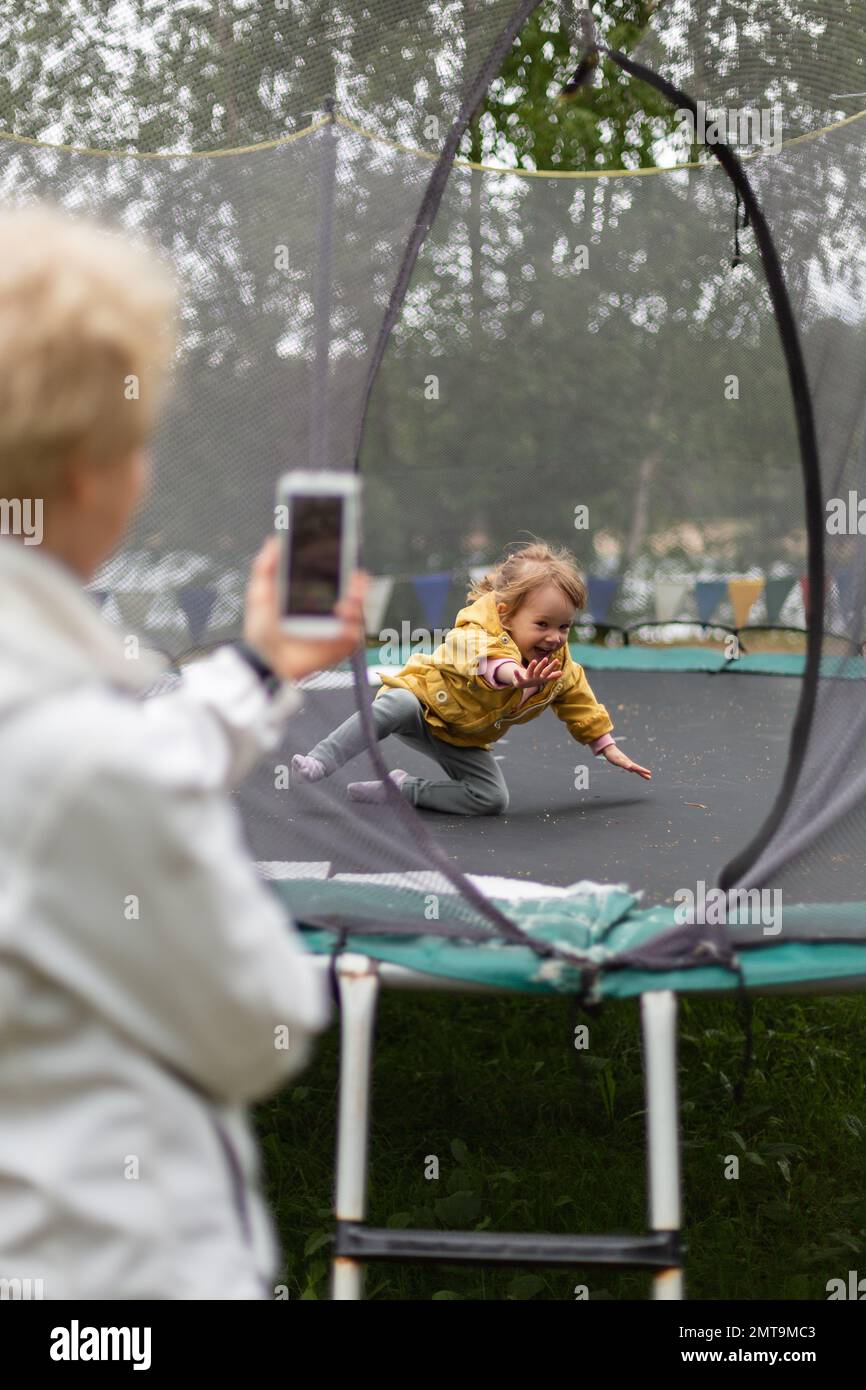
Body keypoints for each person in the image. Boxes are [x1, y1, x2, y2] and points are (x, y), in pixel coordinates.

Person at [0, 203, 366, 1299]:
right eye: (137, 439)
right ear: (83, 471)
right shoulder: (88, 760)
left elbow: (95, 770)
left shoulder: (71, 734)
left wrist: (255, 669)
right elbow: (264, 1025)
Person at [293, 540, 651, 814]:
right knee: (395, 702)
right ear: (506, 615)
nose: (554, 637)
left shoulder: (559, 669)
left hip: (462, 737)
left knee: (491, 799)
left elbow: (580, 703)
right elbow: (480, 656)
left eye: (564, 626)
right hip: (423, 707)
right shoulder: (474, 632)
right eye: (542, 624)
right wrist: (515, 676)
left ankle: (401, 789)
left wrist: (606, 746)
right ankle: (322, 759)